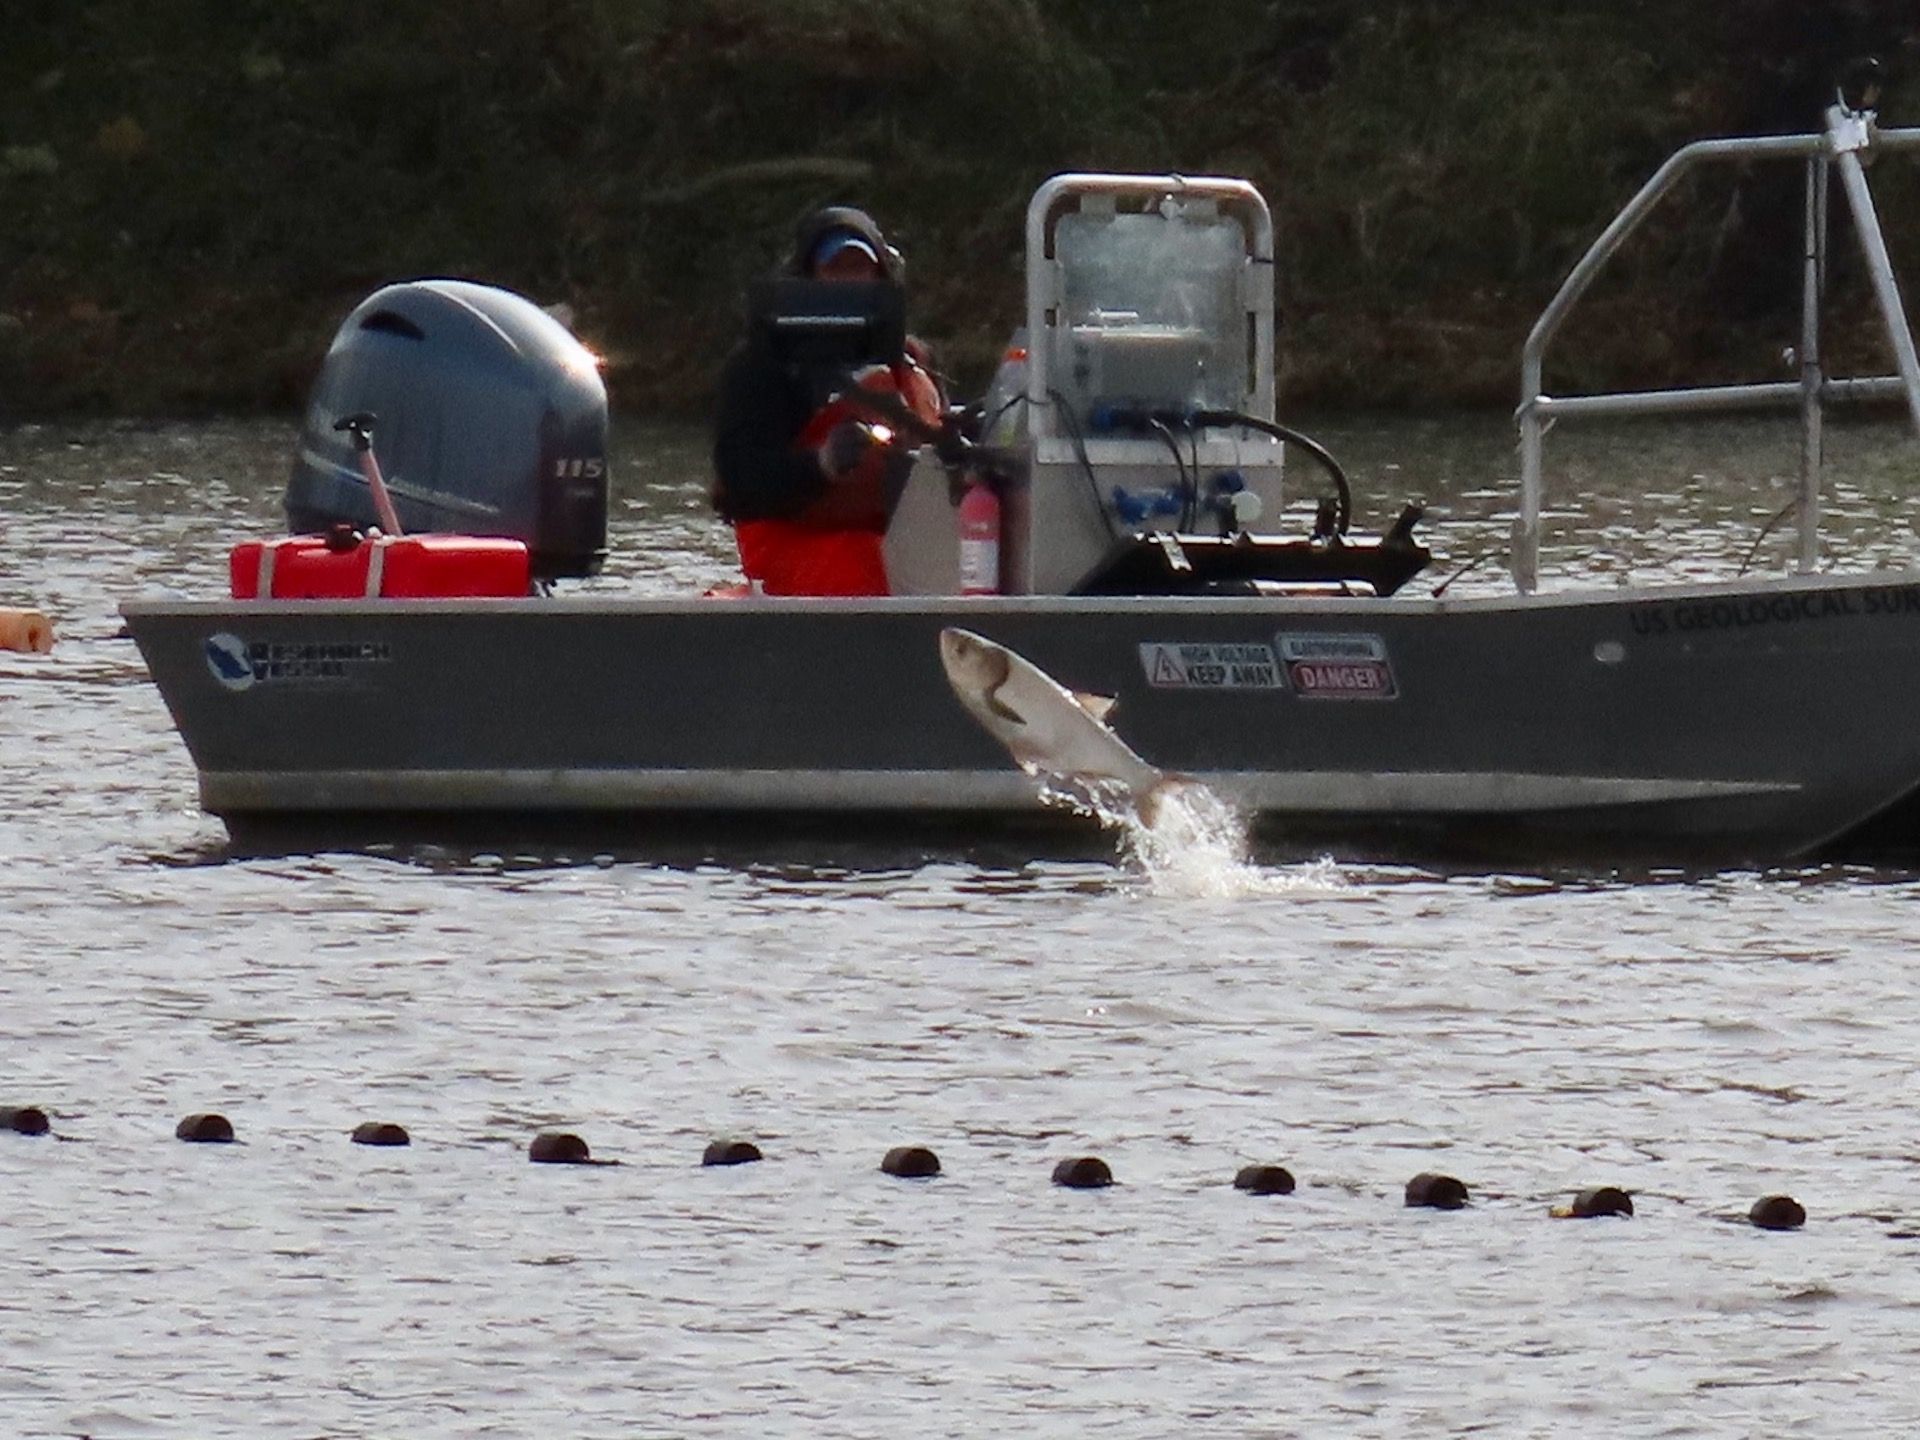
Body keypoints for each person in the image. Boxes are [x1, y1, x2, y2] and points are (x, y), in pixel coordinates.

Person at [711, 206, 944, 597]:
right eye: (835, 268)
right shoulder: (758, 365)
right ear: (808, 277)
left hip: (901, 544)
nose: (848, 281)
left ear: (882, 276)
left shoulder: (915, 361)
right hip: (792, 549)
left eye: (860, 268)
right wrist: (822, 464)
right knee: (863, 564)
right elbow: (740, 480)